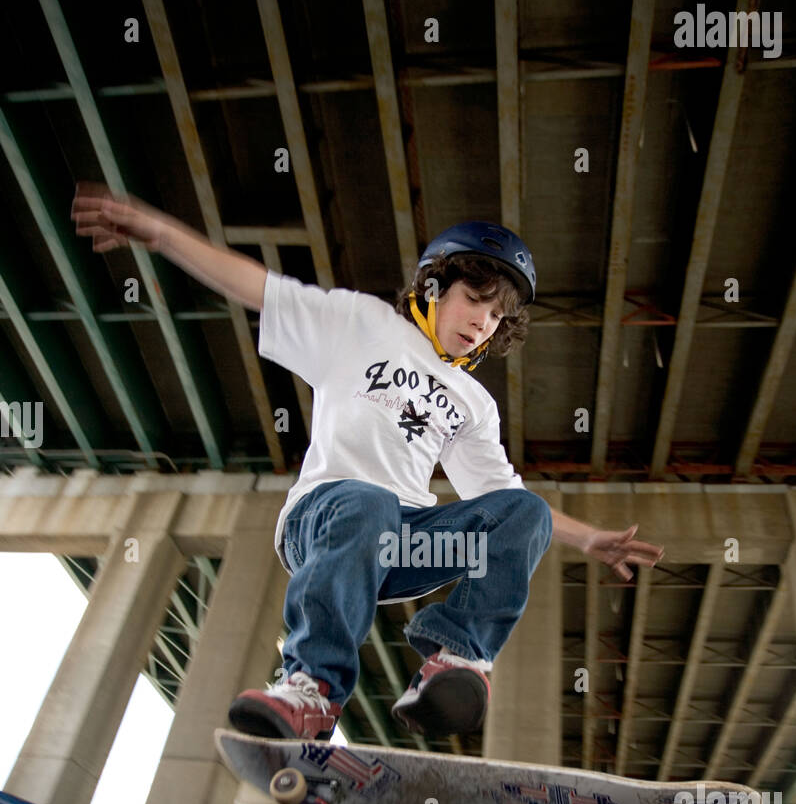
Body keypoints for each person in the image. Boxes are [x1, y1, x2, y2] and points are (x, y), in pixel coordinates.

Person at [73, 188, 664, 746]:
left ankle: (457, 661)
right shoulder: (360, 325)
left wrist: (589, 540)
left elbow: (505, 504)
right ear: (434, 289)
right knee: (368, 501)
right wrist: (158, 232)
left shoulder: (473, 404)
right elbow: (259, 287)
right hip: (326, 522)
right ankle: (312, 689)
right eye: (473, 301)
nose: (480, 323)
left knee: (523, 510)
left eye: (494, 318)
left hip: (406, 550)